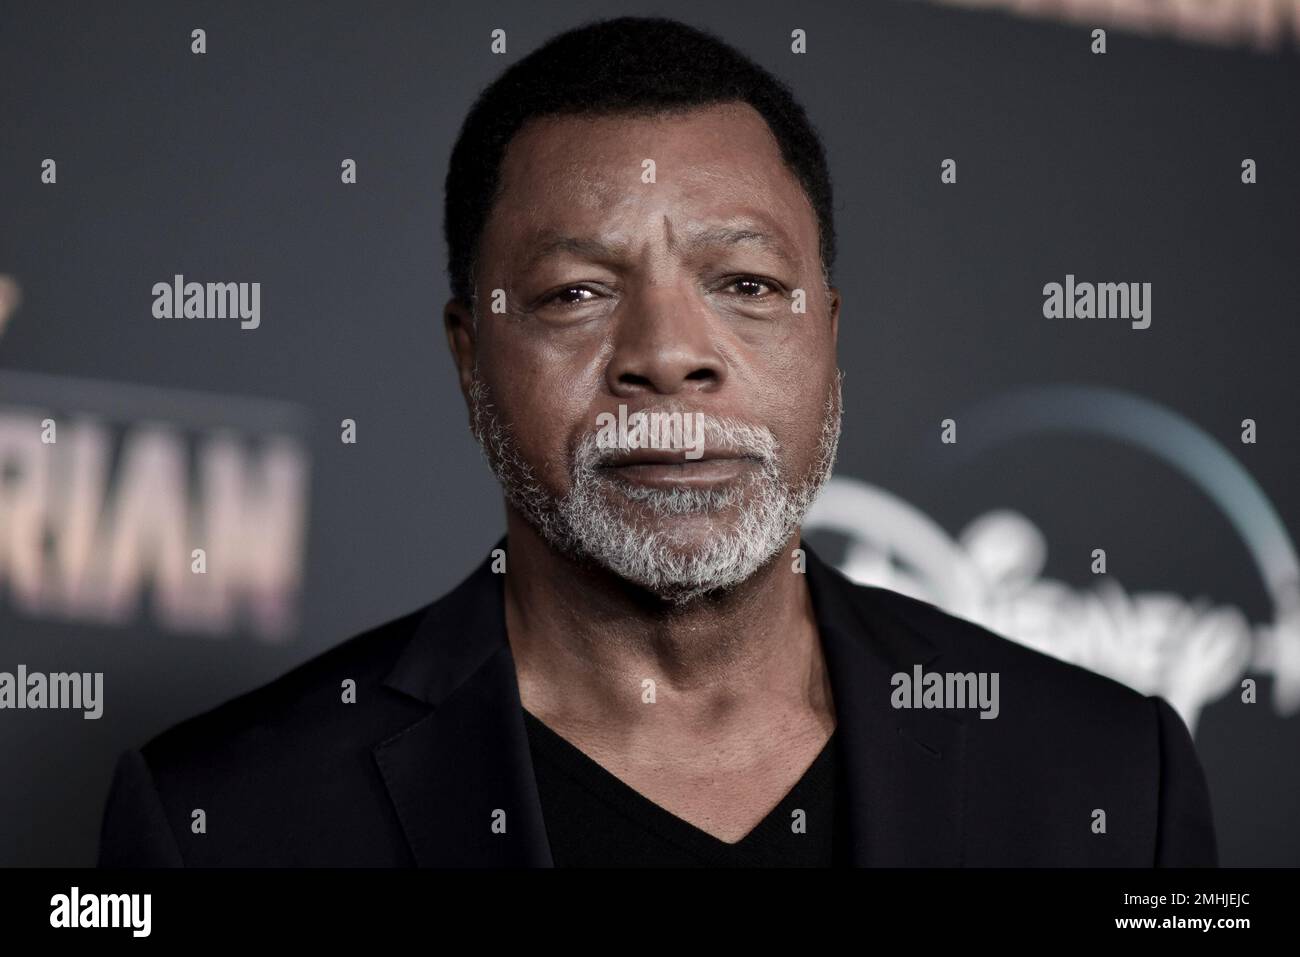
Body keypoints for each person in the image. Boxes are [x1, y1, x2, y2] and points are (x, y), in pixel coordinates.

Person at [97, 16, 1217, 867]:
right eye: (578, 292)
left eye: (744, 283)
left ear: (827, 333)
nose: (670, 355)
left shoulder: (1111, 776)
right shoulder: (225, 819)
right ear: (467, 353)